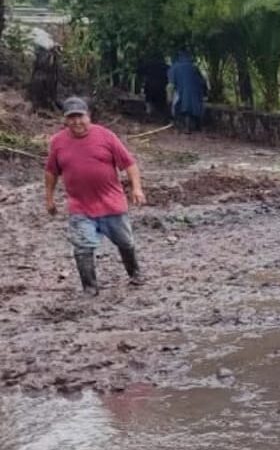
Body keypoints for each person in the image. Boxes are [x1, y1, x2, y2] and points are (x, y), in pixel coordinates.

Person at [44, 97, 147, 295]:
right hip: (80, 206)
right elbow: (51, 172)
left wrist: (137, 188)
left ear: (88, 116)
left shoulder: (106, 136)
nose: (76, 122)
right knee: (82, 247)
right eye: (71, 118)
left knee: (125, 242)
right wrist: (49, 198)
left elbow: (129, 164)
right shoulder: (58, 142)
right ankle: (90, 288)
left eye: (80, 117)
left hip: (112, 204)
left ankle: (135, 273)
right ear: (65, 120)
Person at [168, 49, 208, 134]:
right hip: (196, 92)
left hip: (181, 91)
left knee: (179, 107)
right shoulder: (194, 67)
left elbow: (171, 84)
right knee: (194, 108)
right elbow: (202, 81)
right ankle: (196, 127)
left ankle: (179, 127)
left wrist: (169, 98)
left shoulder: (174, 67)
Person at [137, 55, 170, 120]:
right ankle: (160, 117)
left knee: (149, 101)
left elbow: (139, 71)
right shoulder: (165, 67)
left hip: (150, 87)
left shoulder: (148, 65)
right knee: (160, 104)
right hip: (161, 89)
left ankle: (150, 115)